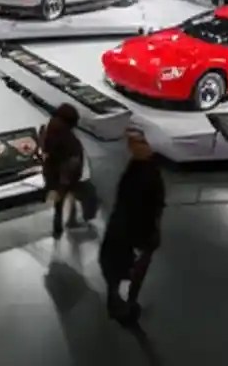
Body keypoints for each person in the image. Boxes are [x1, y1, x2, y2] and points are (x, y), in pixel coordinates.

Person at [100, 130, 165, 323]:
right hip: (134, 227)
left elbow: (151, 203)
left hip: (131, 227)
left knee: (120, 263)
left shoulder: (143, 171)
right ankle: (127, 302)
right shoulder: (145, 168)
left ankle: (123, 302)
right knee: (131, 265)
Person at [40, 103, 85, 239]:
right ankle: (69, 220)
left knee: (60, 203)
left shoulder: (51, 128)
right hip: (65, 176)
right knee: (71, 194)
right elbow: (71, 161)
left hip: (53, 173)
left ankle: (59, 226)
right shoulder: (66, 138)